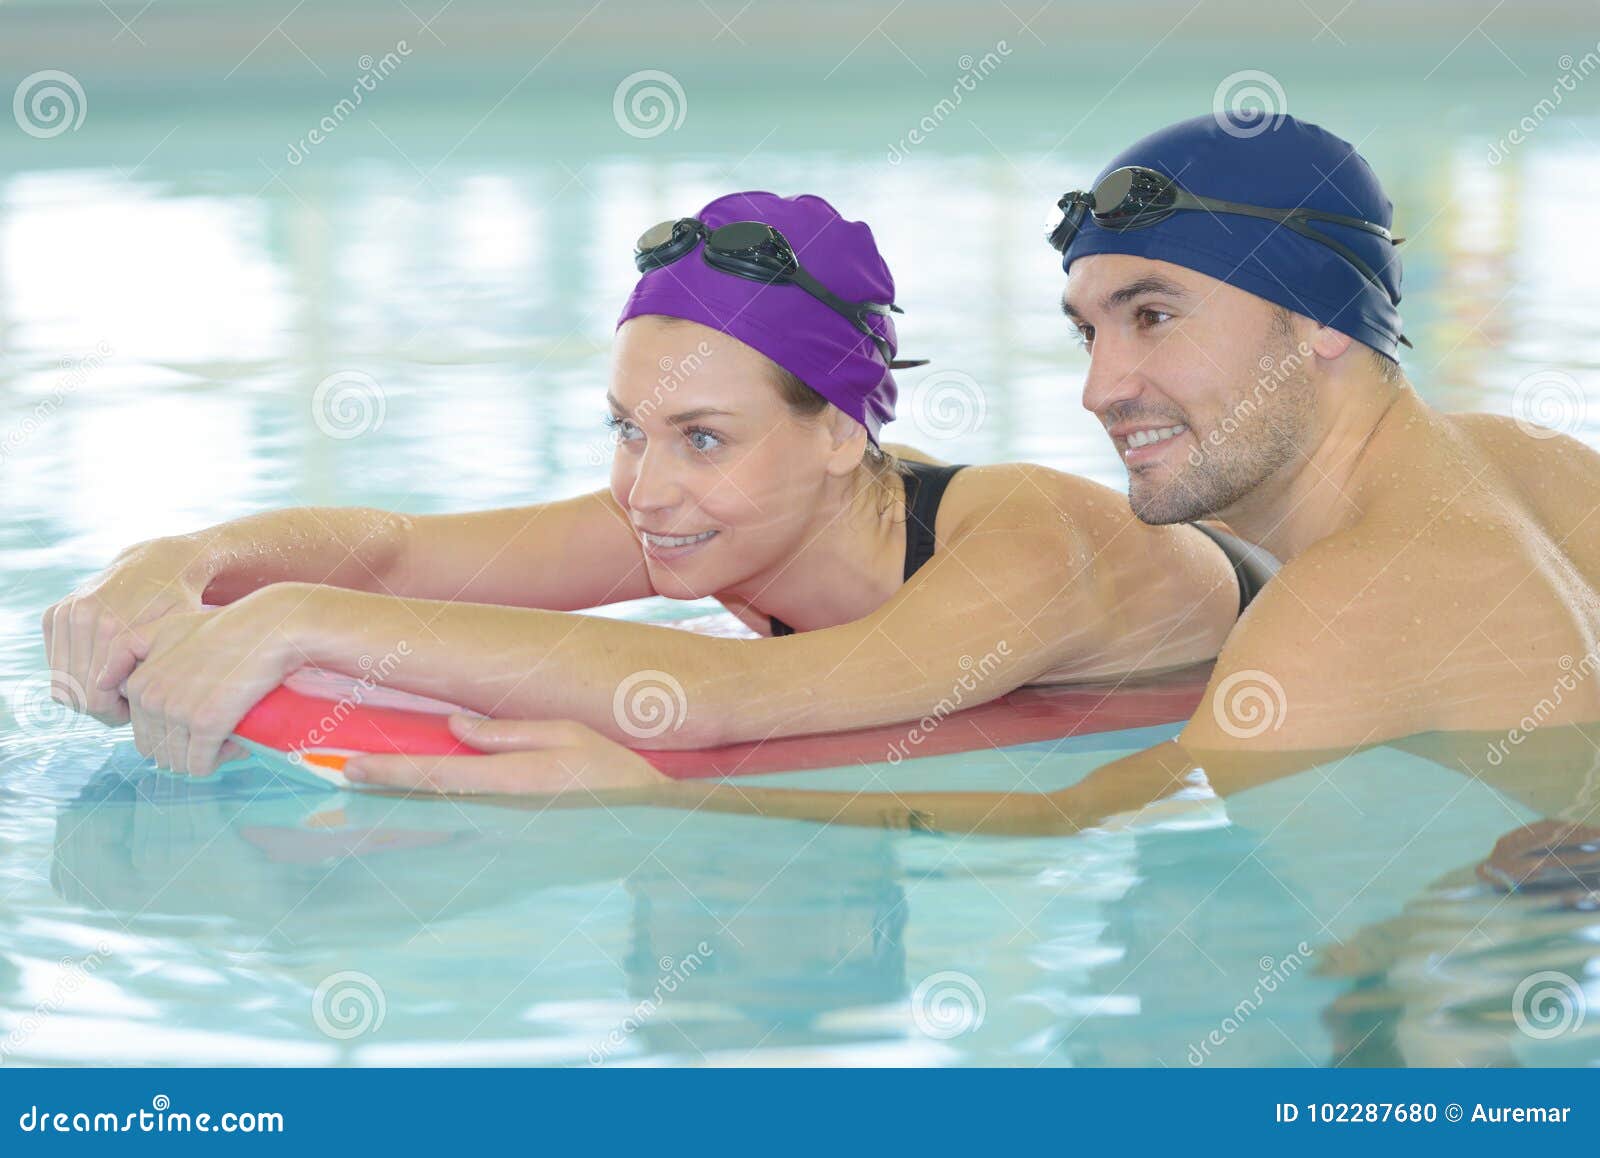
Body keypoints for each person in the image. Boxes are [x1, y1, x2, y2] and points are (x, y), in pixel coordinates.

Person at [325, 113, 1600, 828]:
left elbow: (1115, 830)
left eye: (1153, 316)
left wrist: (659, 804)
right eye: (1087, 330)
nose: (1100, 388)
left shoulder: (1313, 643)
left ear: (1320, 321)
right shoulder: (1528, 469)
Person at [44, 190, 1263, 778]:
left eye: (701, 437)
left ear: (842, 434)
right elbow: (401, 552)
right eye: (626, 428)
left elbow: (721, 695)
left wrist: (290, 621)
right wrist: (174, 565)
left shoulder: (1029, 540)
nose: (645, 486)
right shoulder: (715, 516)